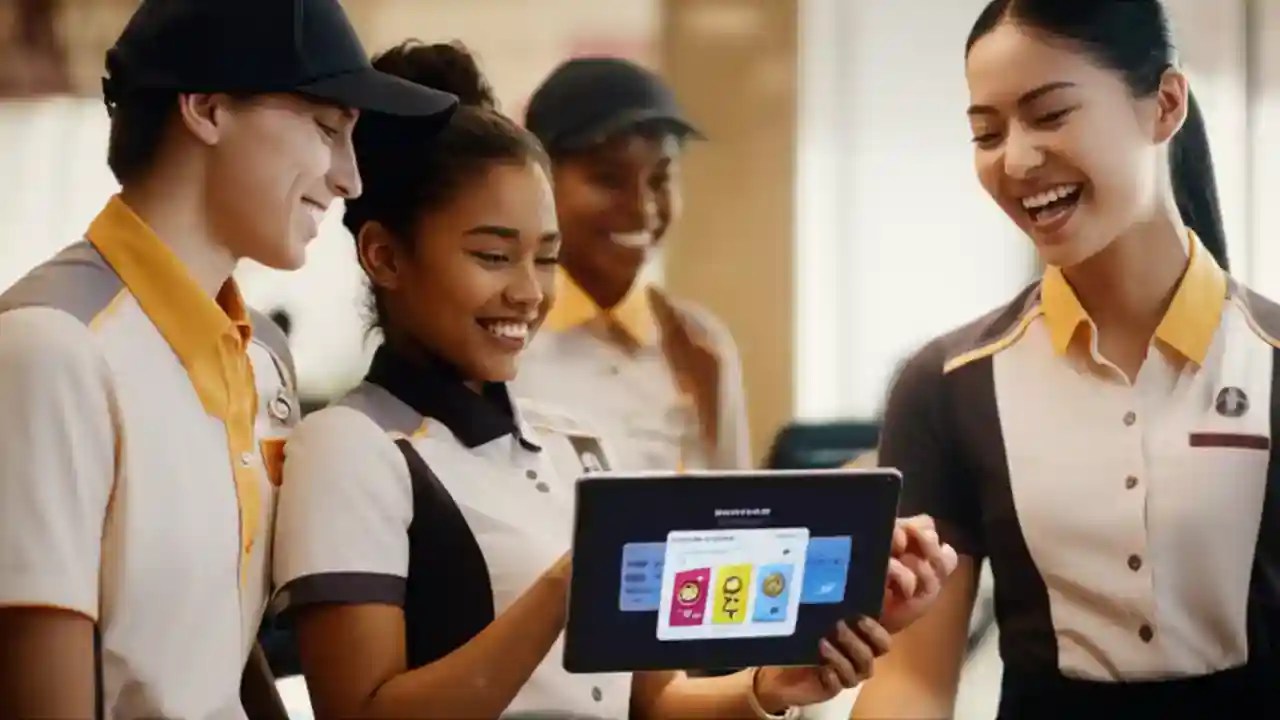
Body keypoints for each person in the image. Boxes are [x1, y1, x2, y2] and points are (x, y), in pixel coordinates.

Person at [272, 41, 957, 720]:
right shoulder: (348, 448)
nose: (527, 292)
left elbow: (653, 697)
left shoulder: (579, 446)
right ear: (385, 255)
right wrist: (568, 584)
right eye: (491, 255)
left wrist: (768, 686)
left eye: (544, 259)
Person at [0, 1, 455, 717]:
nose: (349, 178)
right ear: (207, 109)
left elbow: (222, 655)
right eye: (327, 129)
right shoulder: (53, 349)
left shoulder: (262, 359)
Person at [851, 1, 1274, 718]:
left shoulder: (1265, 357)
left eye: (1049, 115)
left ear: (1165, 104)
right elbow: (912, 683)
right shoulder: (947, 386)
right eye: (987, 132)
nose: (1015, 160)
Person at [511, 57, 751, 473]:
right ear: (541, 182)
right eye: (608, 179)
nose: (642, 209)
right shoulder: (507, 337)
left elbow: (735, 510)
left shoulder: (700, 344)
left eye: (659, 180)